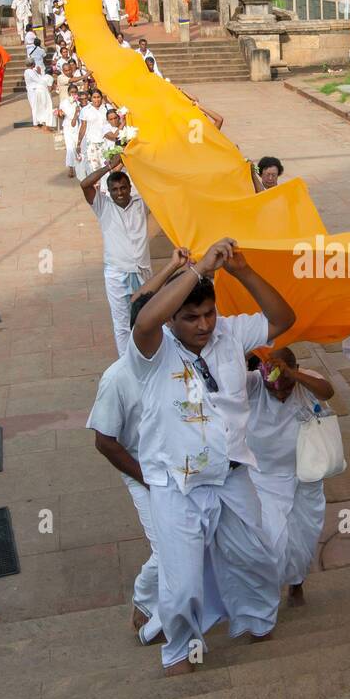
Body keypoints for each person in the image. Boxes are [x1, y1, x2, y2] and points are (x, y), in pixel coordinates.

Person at [127, 237, 296, 674]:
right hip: (176, 485)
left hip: (232, 474)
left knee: (258, 557)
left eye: (209, 314)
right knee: (181, 584)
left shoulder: (230, 332)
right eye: (191, 317)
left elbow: (283, 318)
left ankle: (257, 619)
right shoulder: (153, 350)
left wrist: (242, 271)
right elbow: (145, 318)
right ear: (173, 320)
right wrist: (198, 269)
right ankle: (180, 650)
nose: (203, 325)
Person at [87, 248, 192, 645]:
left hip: (175, 462)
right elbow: (104, 442)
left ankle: (150, 601)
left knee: (181, 543)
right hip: (140, 469)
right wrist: (146, 478)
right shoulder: (117, 379)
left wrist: (176, 268)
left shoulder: (170, 353)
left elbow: (141, 302)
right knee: (168, 548)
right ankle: (151, 614)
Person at [246, 348, 334, 606]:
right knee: (272, 539)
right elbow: (224, 380)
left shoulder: (305, 379)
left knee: (304, 536)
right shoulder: (252, 383)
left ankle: (296, 583)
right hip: (264, 478)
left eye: (286, 387)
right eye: (274, 389)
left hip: (306, 474)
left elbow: (328, 392)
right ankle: (264, 596)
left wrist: (293, 374)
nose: (281, 393)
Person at [81, 154, 153, 355]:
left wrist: (133, 159)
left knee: (149, 316)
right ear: (108, 191)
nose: (119, 193)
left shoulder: (141, 203)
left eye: (123, 188)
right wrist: (108, 167)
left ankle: (148, 356)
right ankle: (126, 362)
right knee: (121, 322)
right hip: (116, 274)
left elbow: (156, 181)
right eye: (114, 189)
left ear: (130, 188)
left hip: (143, 271)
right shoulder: (103, 206)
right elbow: (84, 184)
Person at [57, 83, 83, 178]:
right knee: (70, 147)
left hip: (79, 126)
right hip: (68, 126)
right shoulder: (64, 102)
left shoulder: (80, 102)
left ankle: (80, 166)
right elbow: (61, 116)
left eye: (75, 92)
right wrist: (59, 114)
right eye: (71, 92)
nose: (73, 94)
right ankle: (71, 168)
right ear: (68, 93)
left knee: (78, 145)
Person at [23, 60, 55, 130]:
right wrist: (48, 82)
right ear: (33, 64)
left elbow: (39, 78)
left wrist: (39, 73)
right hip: (33, 91)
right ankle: (35, 124)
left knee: (39, 106)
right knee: (35, 107)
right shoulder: (29, 71)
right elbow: (39, 80)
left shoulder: (32, 71)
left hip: (36, 91)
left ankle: (40, 121)